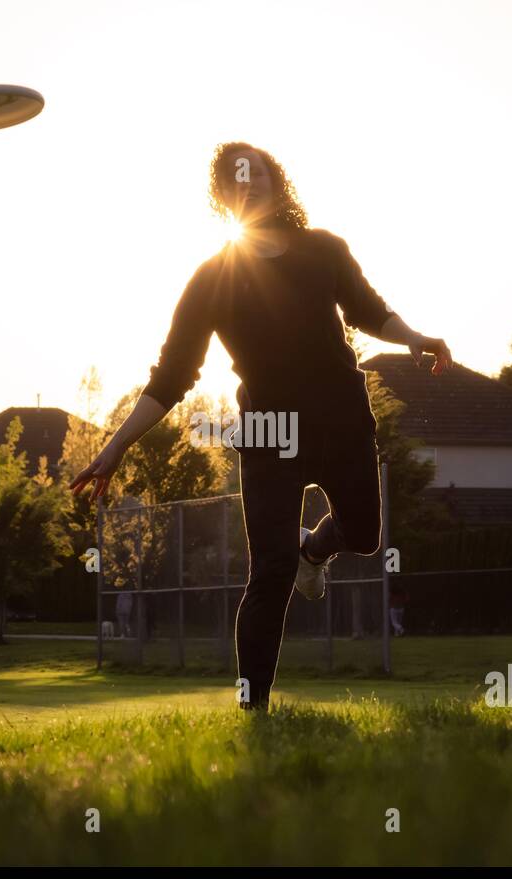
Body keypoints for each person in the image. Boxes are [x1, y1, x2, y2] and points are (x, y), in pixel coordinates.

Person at [71, 142, 452, 712]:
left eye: (257, 174)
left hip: (341, 415)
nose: (247, 184)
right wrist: (116, 445)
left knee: (366, 533)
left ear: (278, 183)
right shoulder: (213, 278)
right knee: (269, 572)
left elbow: (368, 309)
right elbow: (173, 374)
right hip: (269, 430)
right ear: (222, 197)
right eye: (234, 179)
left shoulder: (323, 250)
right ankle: (254, 709)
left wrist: (415, 337)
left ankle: (313, 551)